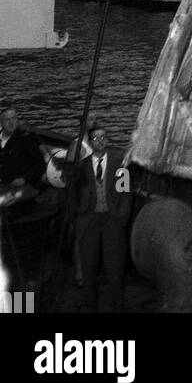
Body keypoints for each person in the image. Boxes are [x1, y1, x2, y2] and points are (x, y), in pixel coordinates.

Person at [71, 124, 130, 312]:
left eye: (104, 137)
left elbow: (125, 192)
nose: (100, 141)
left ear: (108, 140)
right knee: (88, 265)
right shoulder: (81, 166)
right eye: (96, 138)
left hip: (112, 220)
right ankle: (90, 305)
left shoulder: (119, 162)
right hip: (89, 221)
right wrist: (79, 219)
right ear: (90, 141)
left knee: (115, 265)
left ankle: (117, 306)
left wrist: (122, 217)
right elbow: (73, 195)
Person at [0, 105, 45, 191]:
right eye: (7, 120)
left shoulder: (27, 138)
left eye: (13, 118)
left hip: (20, 188)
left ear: (17, 120)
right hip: (0, 187)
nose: (11, 123)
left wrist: (24, 179)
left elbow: (39, 164)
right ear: (0, 123)